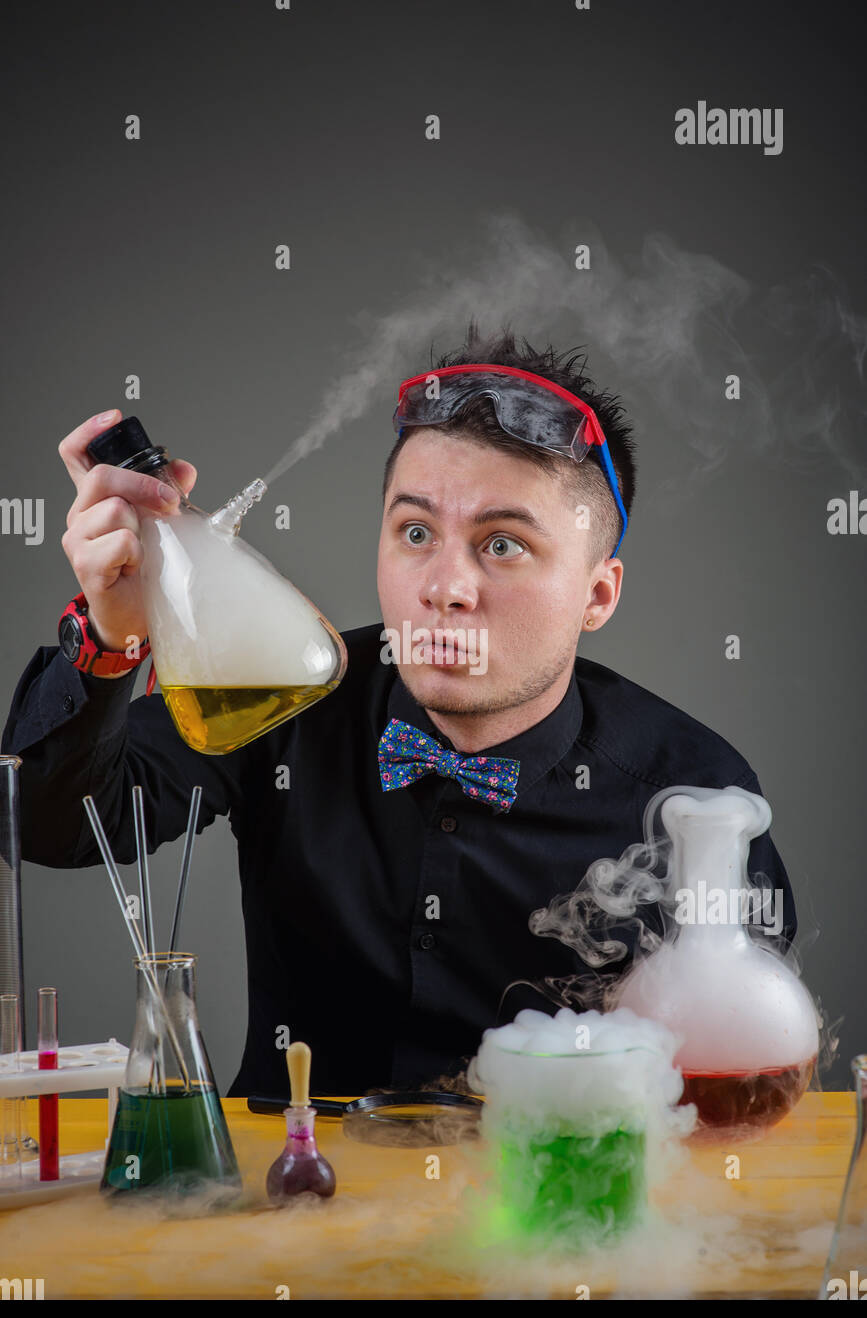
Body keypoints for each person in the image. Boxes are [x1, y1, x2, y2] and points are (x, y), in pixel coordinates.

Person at [1, 324, 797, 1097]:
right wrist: (110, 636)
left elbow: (740, 1071)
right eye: (415, 531)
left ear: (596, 595)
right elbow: (49, 823)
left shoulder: (696, 794)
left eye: (502, 544)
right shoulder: (284, 693)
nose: (443, 587)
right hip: (290, 1201)